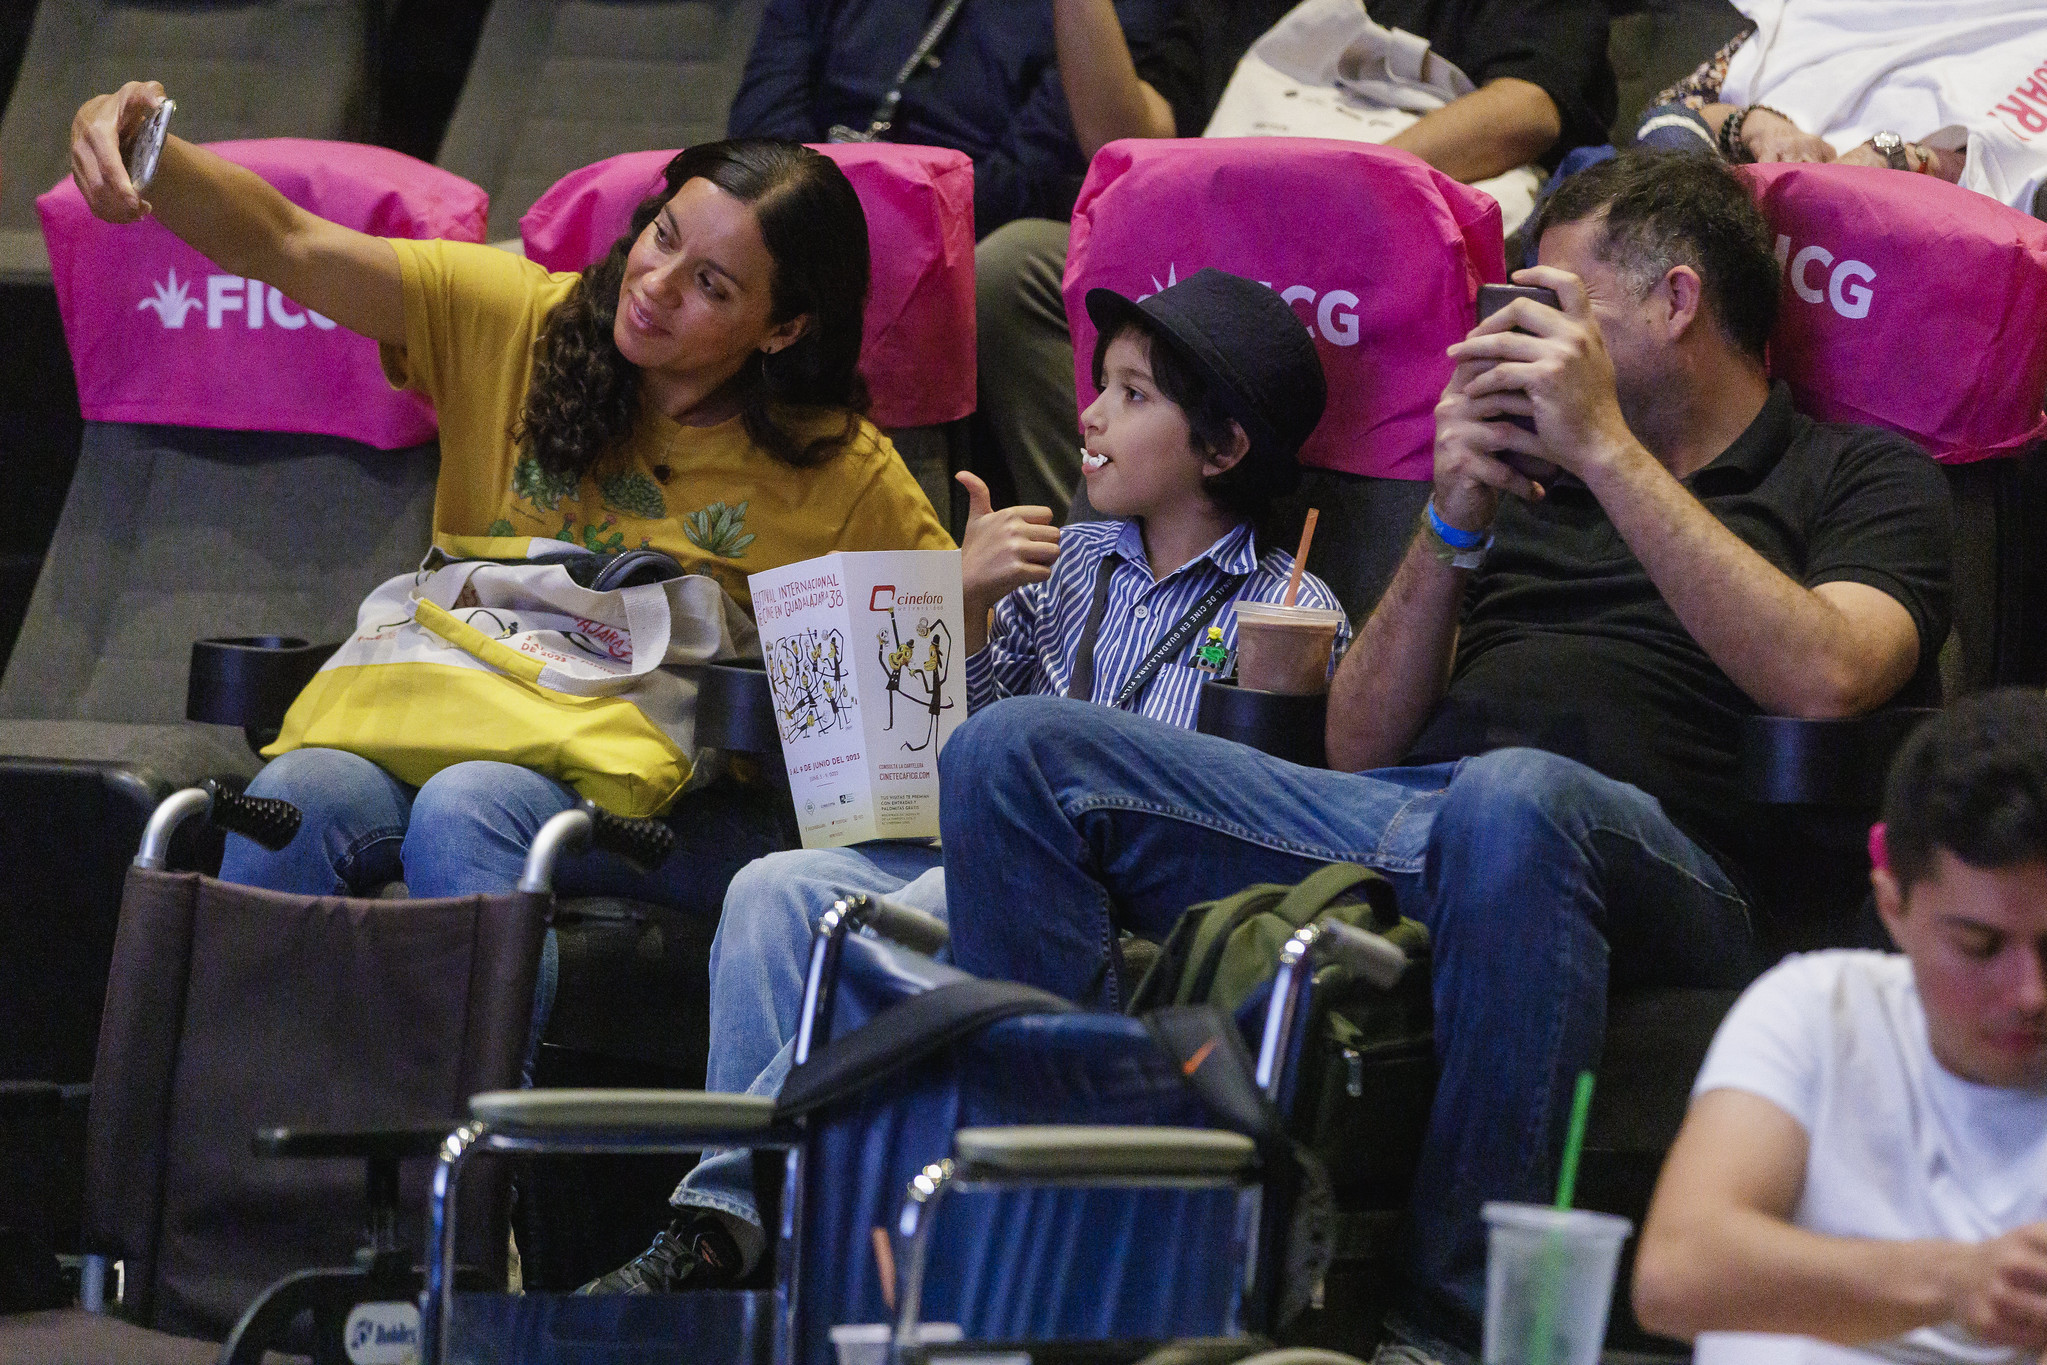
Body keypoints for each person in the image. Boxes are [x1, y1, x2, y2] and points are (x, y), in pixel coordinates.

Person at [933, 151, 1954, 1357]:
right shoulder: (1523, 477)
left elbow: (1832, 672)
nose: (1513, 340)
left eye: (1551, 310)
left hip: (1673, 867)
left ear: (1677, 305)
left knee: (1512, 804)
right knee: (1012, 753)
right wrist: (1453, 514)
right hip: (1416, 821)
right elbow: (1353, 748)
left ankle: (1447, 1329)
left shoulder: (1856, 475)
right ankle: (1103, 1248)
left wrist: (1610, 456)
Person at [580, 267, 1351, 1293]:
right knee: (773, 891)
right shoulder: (1067, 563)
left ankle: (728, 1211)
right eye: (1100, 384)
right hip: (983, 854)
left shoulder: (1294, 607)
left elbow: (1254, 819)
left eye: (1133, 395)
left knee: (916, 903)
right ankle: (765, 1239)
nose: (1089, 413)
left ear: (1221, 447)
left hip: (1127, 912)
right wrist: (968, 606)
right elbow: (959, 758)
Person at [67, 82, 954, 908]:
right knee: (296, 792)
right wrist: (147, 149)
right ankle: (250, 1074)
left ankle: (482, 1081)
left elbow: (895, 759)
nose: (657, 286)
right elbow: (290, 242)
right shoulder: (518, 322)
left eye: (710, 286)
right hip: (446, 720)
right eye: (664, 237)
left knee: (469, 804)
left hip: (667, 807)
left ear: (784, 328)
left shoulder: (839, 473)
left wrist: (956, 599)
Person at [976, 0, 1616, 554]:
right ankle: (1100, 553)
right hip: (1216, 229)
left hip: (1401, 227)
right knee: (1016, 267)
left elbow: (1530, 106)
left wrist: (1317, 193)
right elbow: (1124, 136)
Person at [1633, 689, 2047, 1365]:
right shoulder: (1816, 1006)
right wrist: (1957, 1278)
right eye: (1978, 945)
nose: (2029, 992)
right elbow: (1675, 1273)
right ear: (1893, 906)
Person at [725, 0, 1202, 243]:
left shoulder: (1111, 12)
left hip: (953, 233)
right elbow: (765, 107)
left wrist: (872, 221)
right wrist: (811, 207)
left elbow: (1030, 180)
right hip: (791, 201)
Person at [1635, 0, 2047, 219]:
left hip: (1952, 237)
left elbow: (2022, 191)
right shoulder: (1786, 20)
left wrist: (1898, 157)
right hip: (1791, 236)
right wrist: (1758, 123)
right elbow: (1669, 116)